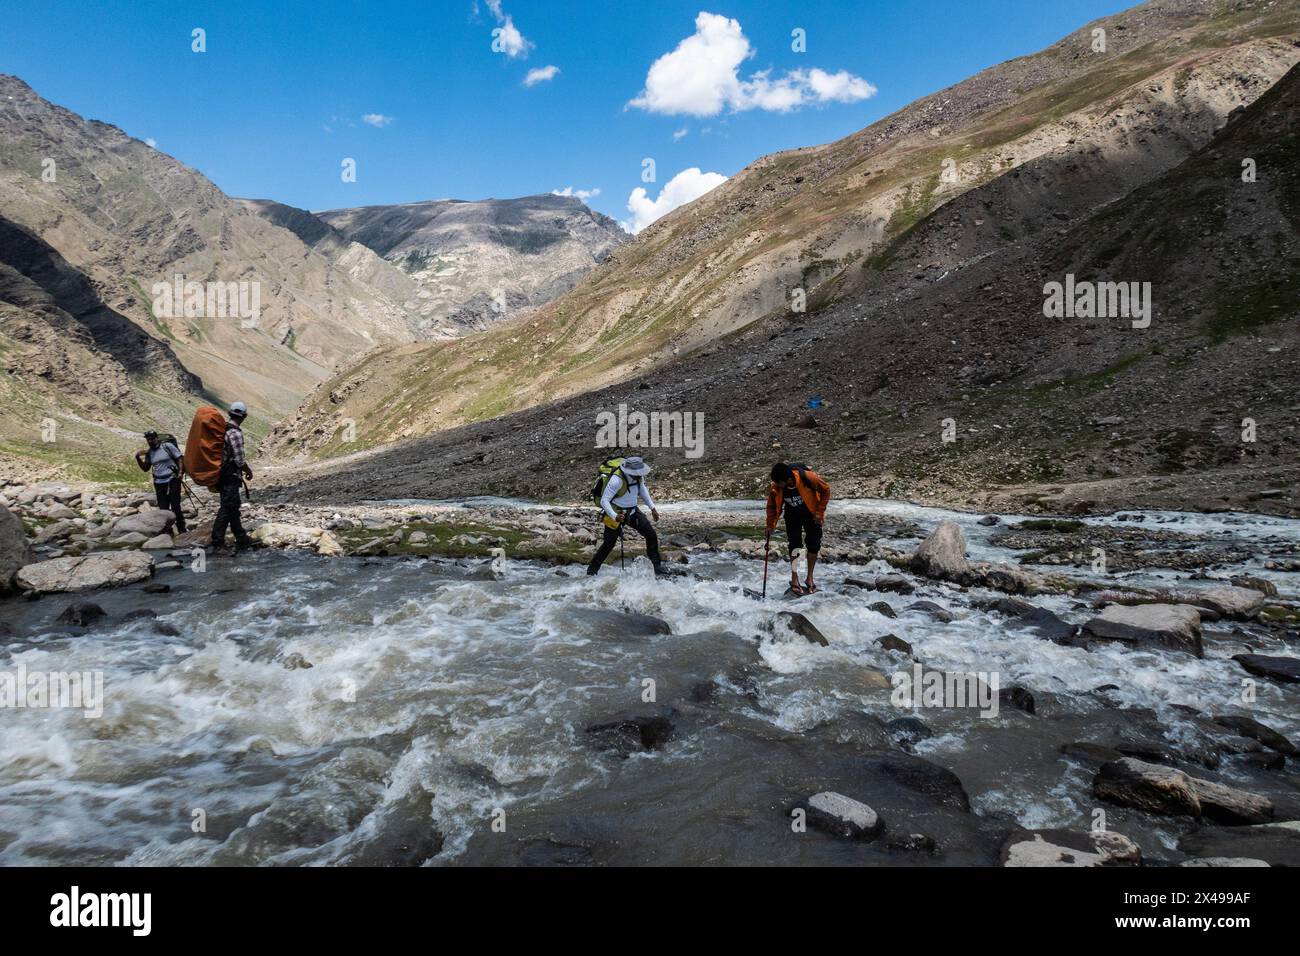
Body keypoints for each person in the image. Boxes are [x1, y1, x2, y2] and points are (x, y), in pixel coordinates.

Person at [587, 455, 663, 576]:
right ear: (629, 471)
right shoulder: (616, 480)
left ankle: (658, 568)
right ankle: (592, 571)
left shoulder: (638, 477)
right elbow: (604, 501)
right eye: (637, 473)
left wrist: (652, 507)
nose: (639, 475)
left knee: (651, 535)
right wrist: (614, 516)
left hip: (633, 512)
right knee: (609, 544)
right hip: (616, 513)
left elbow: (642, 490)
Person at [765, 461, 831, 594]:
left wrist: (819, 513)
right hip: (792, 516)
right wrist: (770, 526)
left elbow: (826, 490)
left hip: (811, 515)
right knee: (795, 545)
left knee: (813, 545)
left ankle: (809, 578)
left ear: (788, 479)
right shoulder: (777, 487)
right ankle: (794, 578)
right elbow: (772, 507)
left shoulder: (808, 477)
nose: (776, 485)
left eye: (779, 482)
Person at [211, 401, 256, 552]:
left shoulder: (222, 429)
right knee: (227, 507)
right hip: (230, 475)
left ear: (230, 413)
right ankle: (217, 542)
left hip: (221, 474)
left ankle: (241, 537)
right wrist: (248, 470)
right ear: (244, 416)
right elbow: (239, 459)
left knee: (233, 507)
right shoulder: (235, 433)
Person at [134, 430, 187, 534]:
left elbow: (180, 458)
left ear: (156, 438)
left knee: (175, 505)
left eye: (152, 439)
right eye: (148, 439)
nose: (150, 441)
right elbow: (145, 468)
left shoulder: (167, 446)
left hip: (173, 479)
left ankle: (182, 529)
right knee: (163, 508)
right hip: (159, 482)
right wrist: (138, 458)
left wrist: (180, 472)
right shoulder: (150, 453)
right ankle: (168, 531)